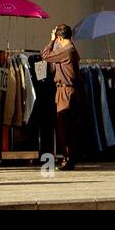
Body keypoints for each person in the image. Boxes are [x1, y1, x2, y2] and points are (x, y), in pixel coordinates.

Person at [41, 24, 81, 171]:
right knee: (68, 126)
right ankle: (68, 157)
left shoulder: (67, 50)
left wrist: (51, 41)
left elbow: (45, 55)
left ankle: (68, 159)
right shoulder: (70, 49)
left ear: (59, 37)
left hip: (65, 91)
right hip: (68, 90)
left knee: (64, 127)